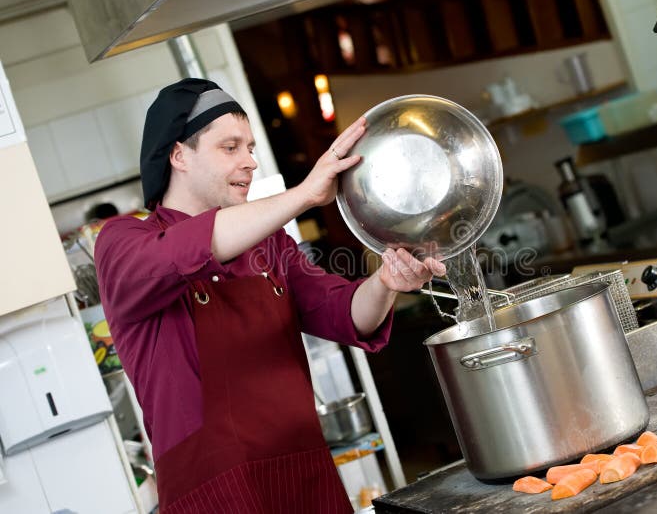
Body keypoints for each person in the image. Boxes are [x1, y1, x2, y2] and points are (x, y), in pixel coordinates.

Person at [95, 78, 445, 513]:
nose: (250, 162)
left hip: (307, 475)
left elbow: (344, 312)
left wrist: (385, 284)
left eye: (251, 148)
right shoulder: (125, 241)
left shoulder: (270, 243)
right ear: (178, 154)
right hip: (216, 492)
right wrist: (303, 195)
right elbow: (191, 249)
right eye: (231, 148)